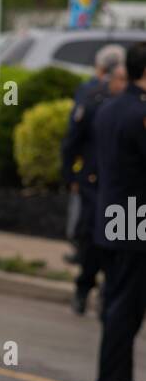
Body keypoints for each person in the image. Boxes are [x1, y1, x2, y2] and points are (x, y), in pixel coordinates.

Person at [94, 43, 146, 381]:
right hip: (135, 215)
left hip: (114, 212)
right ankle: (113, 379)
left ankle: (116, 376)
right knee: (127, 302)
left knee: (118, 296)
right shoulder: (139, 112)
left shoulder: (111, 106)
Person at [61, 44, 126, 314]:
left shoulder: (132, 105)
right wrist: (70, 175)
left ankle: (109, 294)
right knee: (91, 239)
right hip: (93, 179)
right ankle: (83, 288)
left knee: (119, 242)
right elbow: (73, 140)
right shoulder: (93, 97)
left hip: (122, 186)